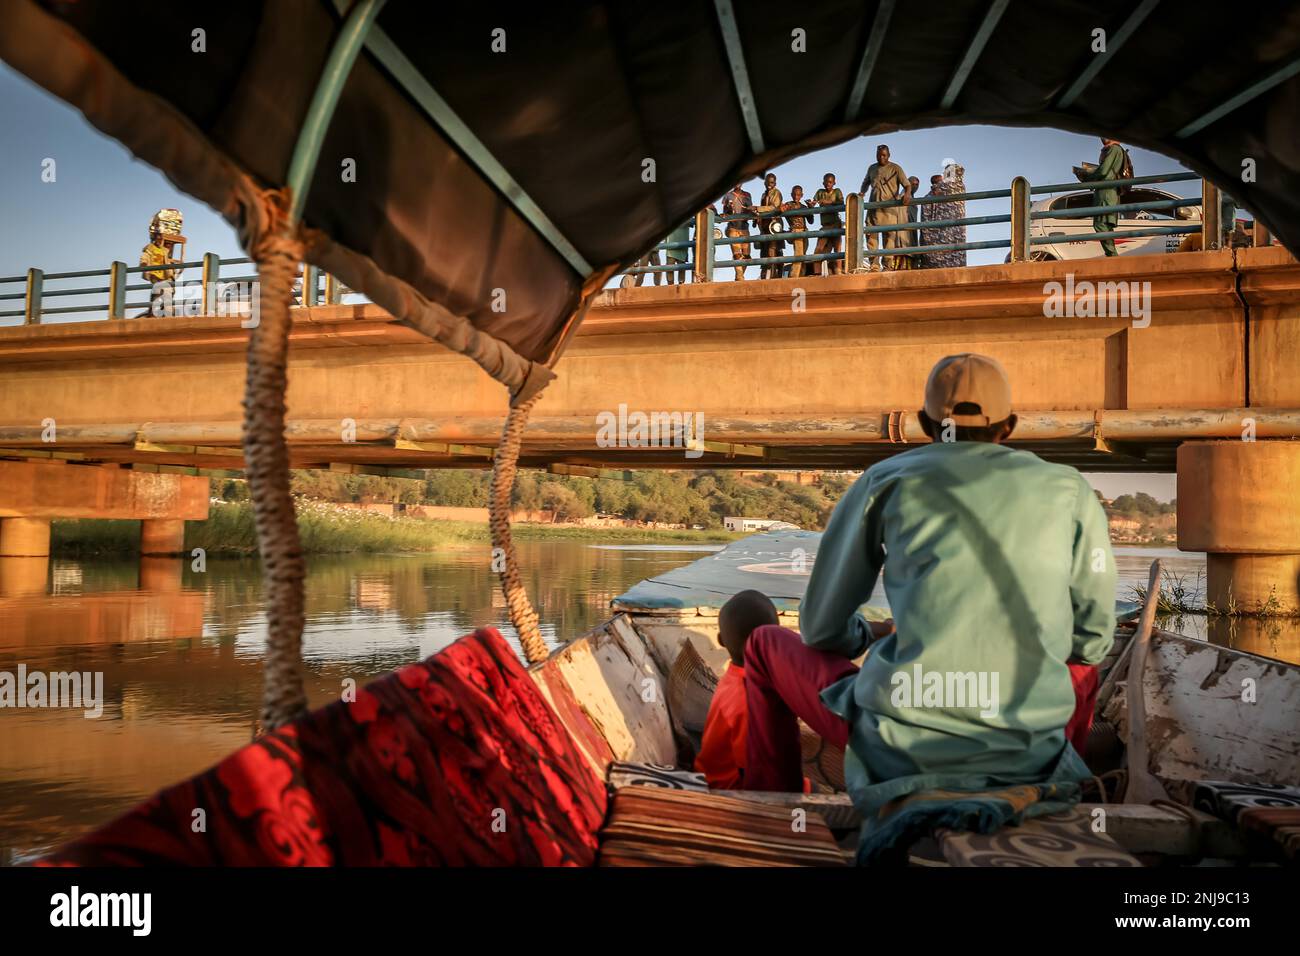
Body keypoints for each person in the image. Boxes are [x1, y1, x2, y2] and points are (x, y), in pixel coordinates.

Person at [742, 354, 1116, 830]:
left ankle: (770, 815)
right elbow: (1093, 641)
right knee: (1082, 665)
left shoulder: (884, 479)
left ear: (923, 423)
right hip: (1026, 748)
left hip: (899, 745)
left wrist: (867, 634)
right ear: (1011, 426)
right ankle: (1055, 786)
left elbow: (819, 630)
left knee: (763, 644)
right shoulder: (1070, 490)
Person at [694, 590, 779, 789]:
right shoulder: (751, 698)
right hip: (730, 788)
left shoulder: (733, 677)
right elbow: (754, 773)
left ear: (721, 640)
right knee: (814, 788)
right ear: (777, 638)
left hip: (714, 774)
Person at [859, 144, 911, 272]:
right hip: (873, 208)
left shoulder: (895, 168)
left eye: (884, 155)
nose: (881, 158)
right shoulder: (872, 168)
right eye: (879, 155)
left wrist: (907, 194)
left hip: (889, 209)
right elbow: (865, 183)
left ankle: (887, 265)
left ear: (889, 155)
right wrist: (862, 193)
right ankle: (874, 265)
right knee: (871, 236)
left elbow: (907, 185)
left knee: (889, 238)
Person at [1082, 138, 1130, 257]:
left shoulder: (1113, 149)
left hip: (1105, 192)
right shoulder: (1117, 150)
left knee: (1100, 224)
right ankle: (1112, 256)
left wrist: (1088, 176)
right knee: (1106, 225)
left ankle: (1112, 255)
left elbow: (1104, 171)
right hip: (1110, 191)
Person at [921, 160, 968, 269]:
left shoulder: (951, 187)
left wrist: (937, 188)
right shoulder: (957, 187)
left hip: (953, 229)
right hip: (948, 231)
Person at [721, 183, 755, 281]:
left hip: (744, 227)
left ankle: (739, 275)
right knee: (737, 254)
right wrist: (728, 208)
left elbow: (750, 209)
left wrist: (751, 211)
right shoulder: (728, 195)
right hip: (733, 228)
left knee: (747, 255)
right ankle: (740, 276)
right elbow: (725, 211)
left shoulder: (747, 195)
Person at [812, 173, 844, 276]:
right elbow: (814, 202)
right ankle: (817, 272)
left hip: (835, 224)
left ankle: (838, 271)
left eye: (830, 182)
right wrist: (811, 204)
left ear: (834, 182)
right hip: (825, 226)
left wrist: (828, 202)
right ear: (823, 182)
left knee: (837, 248)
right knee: (819, 249)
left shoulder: (837, 192)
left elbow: (841, 203)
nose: (828, 184)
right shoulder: (820, 192)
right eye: (826, 182)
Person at [781, 185, 814, 278]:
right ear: (791, 194)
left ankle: (801, 275)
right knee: (799, 254)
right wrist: (782, 207)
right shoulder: (789, 205)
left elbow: (811, 221)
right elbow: (782, 209)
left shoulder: (804, 207)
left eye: (798, 195)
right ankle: (793, 276)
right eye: (794, 194)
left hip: (805, 231)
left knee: (803, 256)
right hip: (796, 231)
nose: (796, 197)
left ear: (802, 195)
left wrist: (810, 208)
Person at [757, 173, 784, 279]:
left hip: (774, 225)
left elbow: (773, 207)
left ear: (775, 183)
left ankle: (774, 274)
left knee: (773, 249)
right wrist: (757, 216)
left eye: (772, 182)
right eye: (768, 182)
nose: (769, 184)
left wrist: (758, 208)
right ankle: (766, 273)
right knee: (764, 250)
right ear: (765, 183)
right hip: (764, 226)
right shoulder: (763, 195)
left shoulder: (777, 193)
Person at [896, 175, 923, 270]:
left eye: (917, 185)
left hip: (911, 229)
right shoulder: (902, 196)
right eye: (913, 184)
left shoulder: (912, 198)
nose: (915, 186)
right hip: (903, 228)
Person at [663, 217, 692, 284]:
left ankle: (681, 283)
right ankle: (670, 285)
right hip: (671, 244)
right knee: (670, 267)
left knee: (681, 266)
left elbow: (692, 222)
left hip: (682, 243)